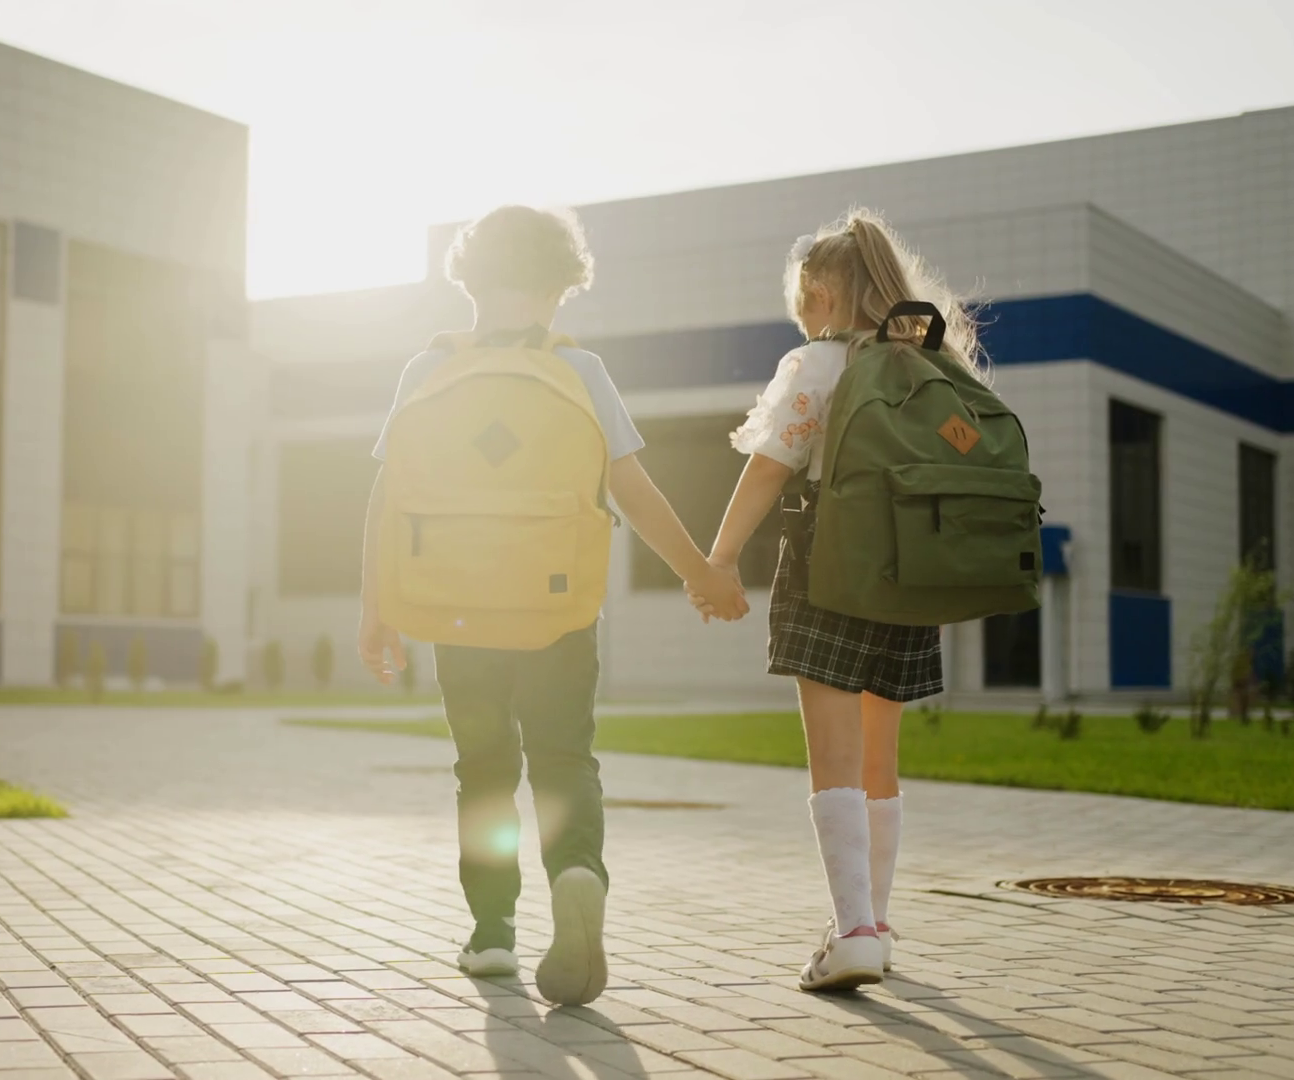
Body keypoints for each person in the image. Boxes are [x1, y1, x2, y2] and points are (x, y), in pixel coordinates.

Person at [358, 205, 746, 1006]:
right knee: (565, 758)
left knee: (484, 772)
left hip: (457, 610)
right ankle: (576, 870)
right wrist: (702, 571)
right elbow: (631, 490)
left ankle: (493, 935)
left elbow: (386, 499)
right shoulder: (583, 372)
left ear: (467, 277)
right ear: (562, 284)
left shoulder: (424, 370)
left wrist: (377, 607)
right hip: (559, 611)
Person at [692, 209, 983, 991]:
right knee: (879, 756)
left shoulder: (818, 365)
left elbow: (768, 469)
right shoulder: (931, 366)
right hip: (911, 574)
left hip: (829, 564)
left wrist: (717, 560)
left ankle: (851, 929)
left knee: (834, 756)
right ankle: (875, 924)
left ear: (819, 292)